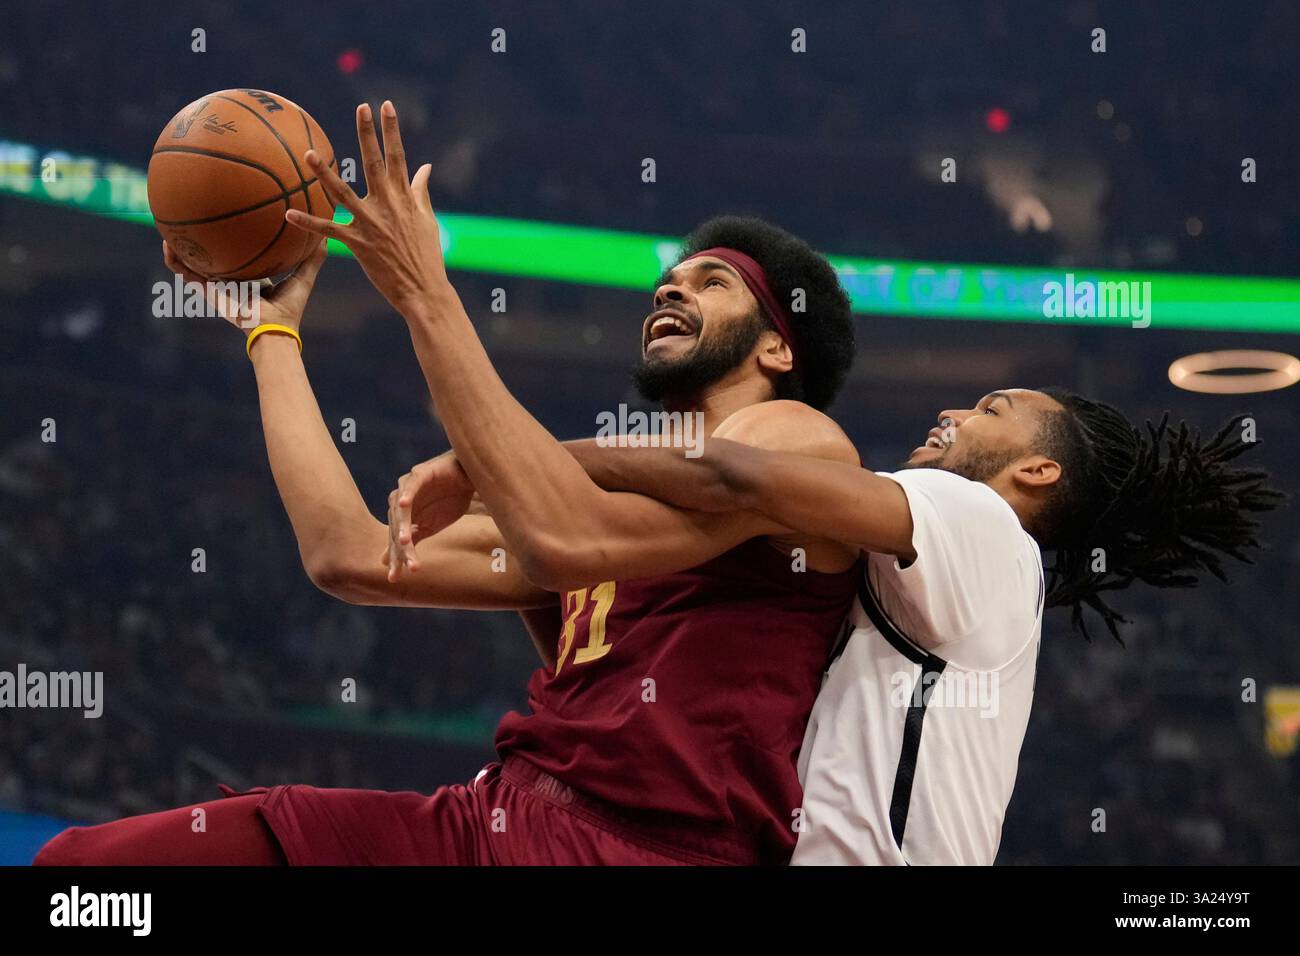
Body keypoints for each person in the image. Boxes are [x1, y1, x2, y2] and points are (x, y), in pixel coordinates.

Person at [35, 102, 865, 866]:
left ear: (778, 350)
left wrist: (424, 291)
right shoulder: (599, 491)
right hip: (499, 820)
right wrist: (273, 331)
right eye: (669, 279)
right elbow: (348, 554)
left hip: (647, 850)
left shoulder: (798, 441)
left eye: (713, 283)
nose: (672, 286)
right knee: (86, 873)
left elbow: (565, 537)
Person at [418, 387, 1276, 863]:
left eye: (990, 408)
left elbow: (739, 478)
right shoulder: (931, 567)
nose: (950, 410)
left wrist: (500, 464)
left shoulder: (978, 520)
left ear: (1038, 468)